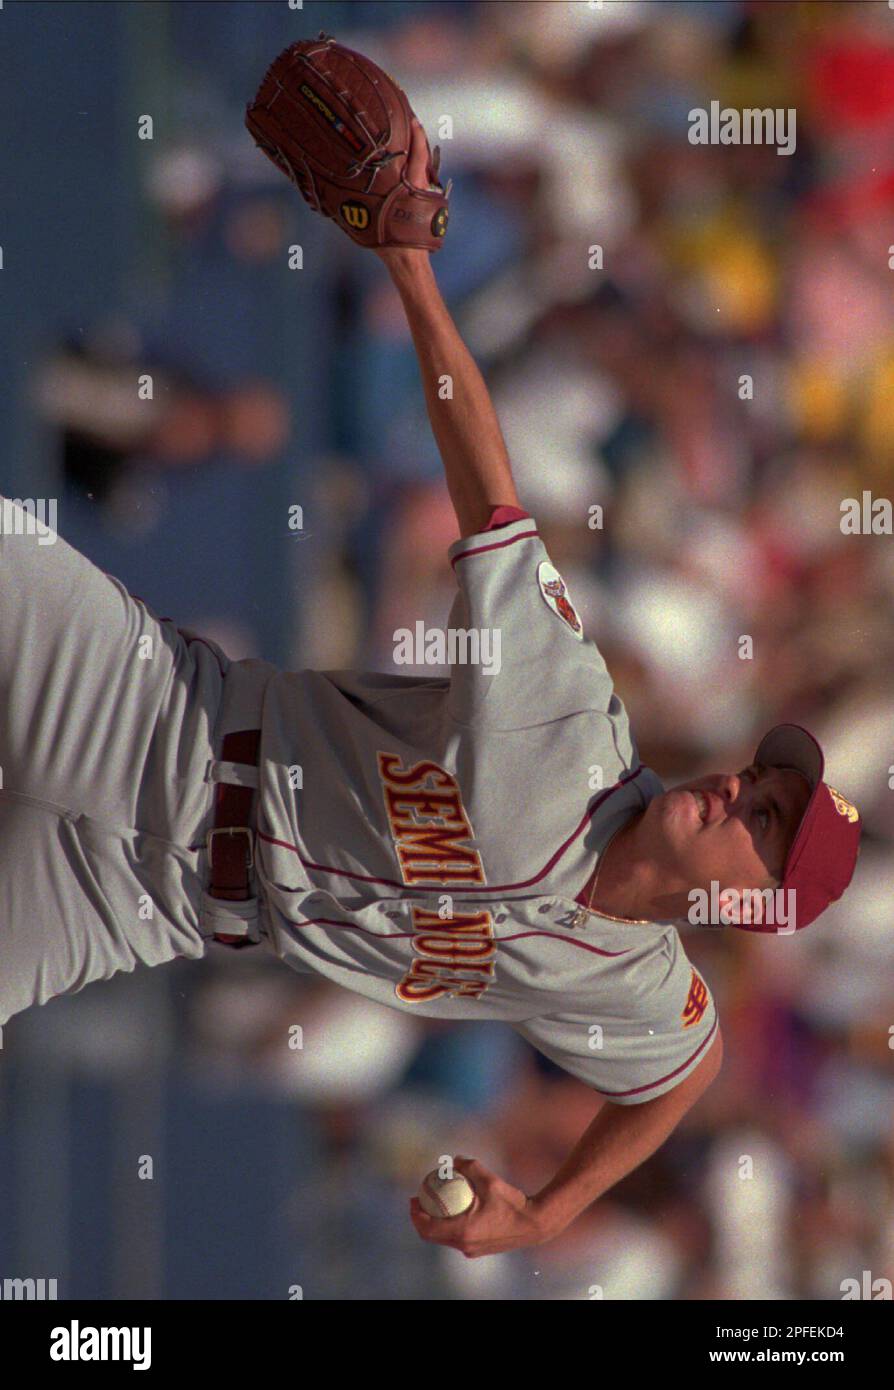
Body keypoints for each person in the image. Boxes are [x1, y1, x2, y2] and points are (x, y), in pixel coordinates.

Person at [0, 123, 860, 1261]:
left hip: (137, 902)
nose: (739, 789)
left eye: (764, 824)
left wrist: (550, 1211)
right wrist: (409, 268)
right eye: (764, 783)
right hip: (150, 712)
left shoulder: (642, 996)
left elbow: (685, 1078)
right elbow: (491, 493)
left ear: (746, 906)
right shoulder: (568, 722)